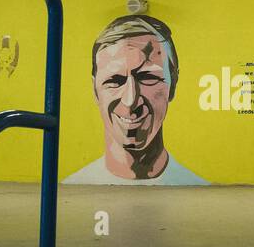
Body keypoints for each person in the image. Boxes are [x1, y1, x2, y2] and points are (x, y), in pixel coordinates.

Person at [64, 14, 208, 185]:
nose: (130, 100)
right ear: (95, 90)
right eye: (114, 81)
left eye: (148, 78)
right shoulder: (76, 184)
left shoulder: (193, 187)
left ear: (173, 85)